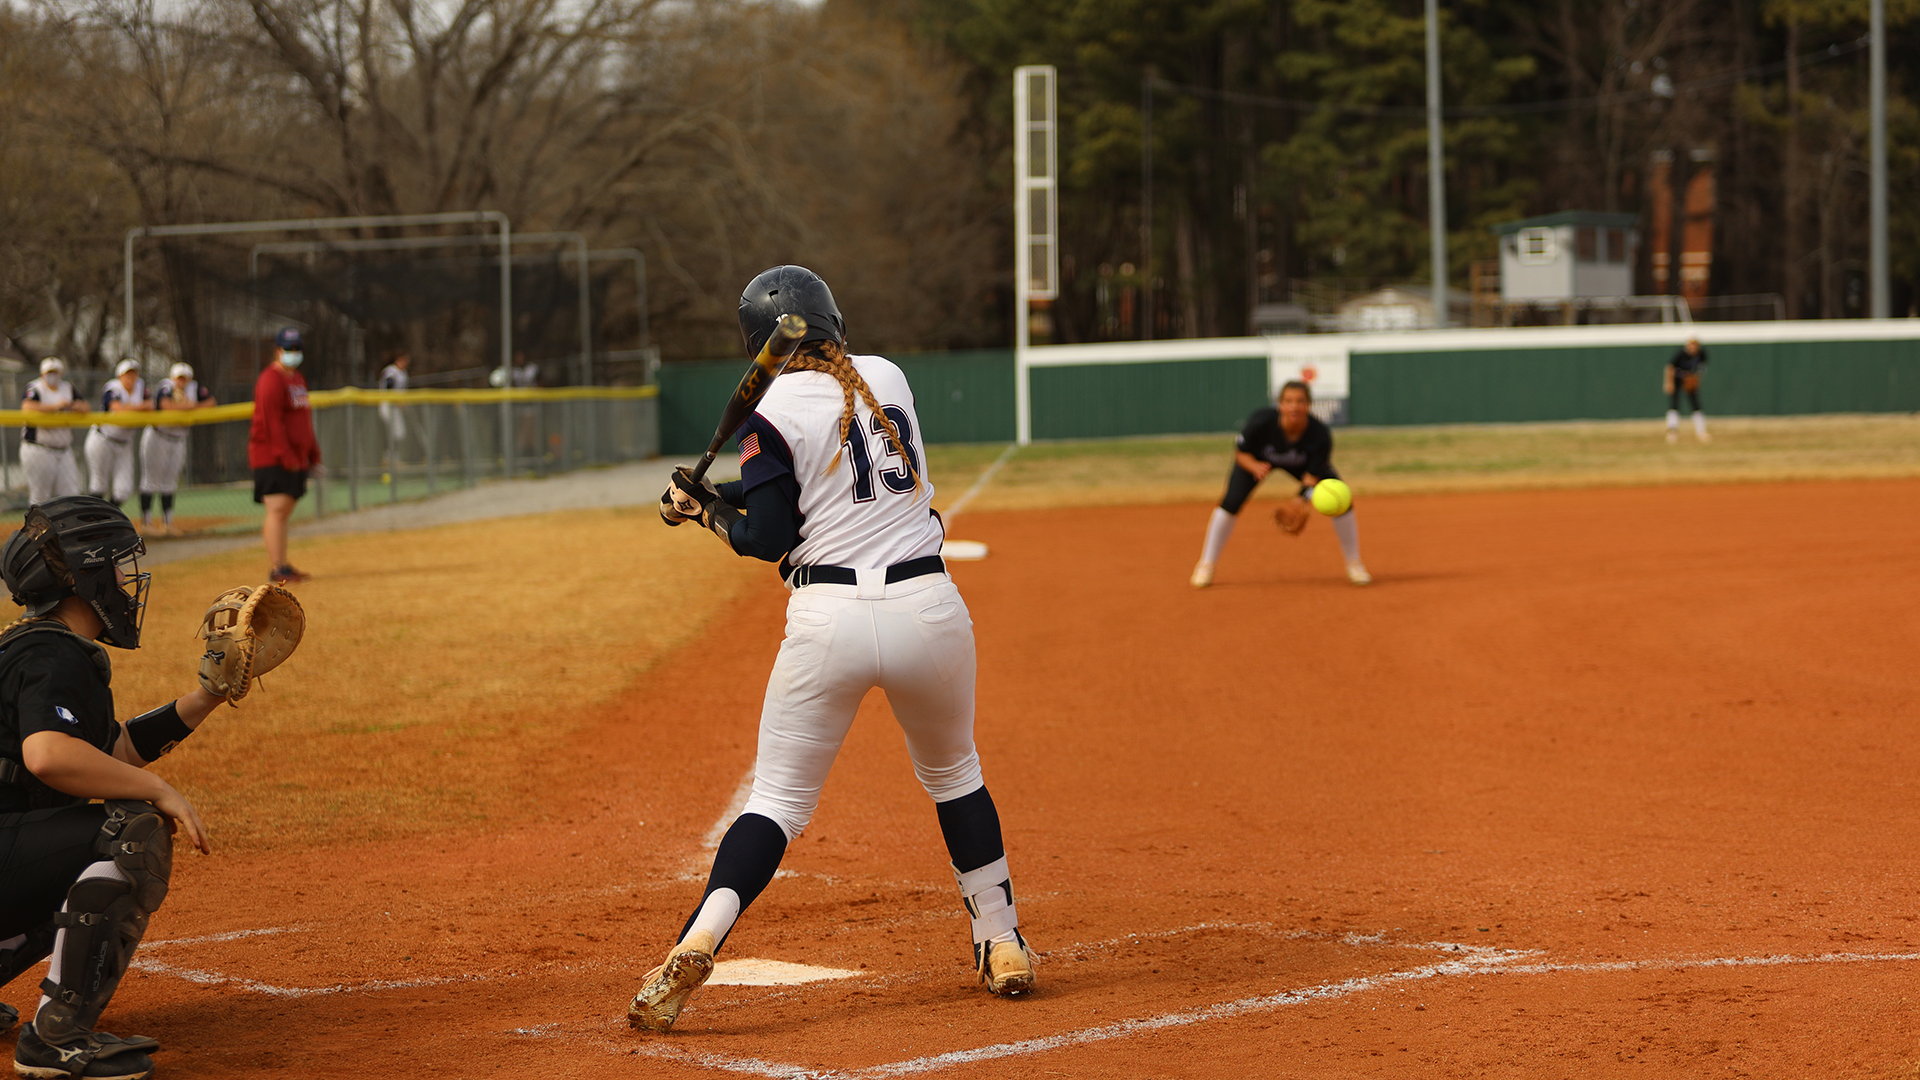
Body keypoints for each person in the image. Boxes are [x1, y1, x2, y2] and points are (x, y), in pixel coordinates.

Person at [631, 265, 1035, 1034]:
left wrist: (705, 512)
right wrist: (719, 495)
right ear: (834, 322)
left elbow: (769, 534)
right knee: (955, 776)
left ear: (756, 343)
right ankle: (1002, 939)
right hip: (928, 608)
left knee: (777, 804)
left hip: (828, 620)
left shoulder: (766, 414)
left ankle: (697, 940)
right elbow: (834, 474)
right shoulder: (886, 377)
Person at [0, 495, 220, 1080]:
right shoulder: (52, 654)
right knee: (132, 833)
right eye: (120, 565)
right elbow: (49, 755)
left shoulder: (33, 645)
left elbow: (102, 752)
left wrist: (206, 697)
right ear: (87, 573)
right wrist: (158, 789)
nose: (129, 579)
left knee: (77, 856)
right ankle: (55, 1040)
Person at [1190, 379, 1370, 588]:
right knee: (1230, 502)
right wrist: (1254, 467)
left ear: (1308, 405)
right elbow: (1241, 454)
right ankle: (1206, 564)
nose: (1294, 406)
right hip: (1256, 462)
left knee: (1342, 501)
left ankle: (1354, 563)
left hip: (1301, 466)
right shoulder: (1261, 422)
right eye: (1288, 401)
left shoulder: (1319, 434)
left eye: (1300, 401)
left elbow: (1311, 477)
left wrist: (1300, 500)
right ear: (1280, 404)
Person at [249, 328, 319, 584]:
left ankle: (283, 565)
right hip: (273, 457)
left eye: (296, 348)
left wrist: (312, 452)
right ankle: (277, 568)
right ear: (277, 350)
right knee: (277, 509)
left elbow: (304, 418)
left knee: (284, 510)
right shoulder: (271, 379)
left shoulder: (297, 378)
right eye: (288, 349)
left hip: (295, 456)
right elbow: (272, 423)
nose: (293, 353)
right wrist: (286, 455)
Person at [138, 363, 216, 536]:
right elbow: (166, 405)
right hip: (158, 436)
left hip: (179, 439)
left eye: (184, 377)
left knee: (170, 481)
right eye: (178, 377)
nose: (181, 381)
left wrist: (190, 406)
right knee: (150, 479)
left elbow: (211, 402)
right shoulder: (166, 386)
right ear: (173, 377)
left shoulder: (195, 388)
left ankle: (168, 523)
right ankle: (146, 523)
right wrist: (189, 406)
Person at [18, 359, 88, 506]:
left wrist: (75, 406)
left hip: (63, 449)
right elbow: (27, 407)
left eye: (55, 372)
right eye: (49, 372)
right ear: (43, 374)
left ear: (60, 373)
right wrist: (56, 406)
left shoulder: (67, 387)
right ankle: (36, 528)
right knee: (40, 496)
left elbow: (85, 407)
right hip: (39, 448)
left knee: (72, 494)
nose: (52, 376)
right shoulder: (35, 387)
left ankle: (68, 528)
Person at [85, 360, 150, 510]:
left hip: (124, 442)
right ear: (120, 376)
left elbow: (151, 406)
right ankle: (92, 521)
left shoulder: (141, 386)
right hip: (102, 439)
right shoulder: (112, 387)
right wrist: (141, 407)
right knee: (99, 485)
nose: (131, 378)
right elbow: (118, 408)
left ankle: (105, 516)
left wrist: (133, 408)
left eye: (134, 374)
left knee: (124, 490)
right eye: (127, 374)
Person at [1664, 336, 1709, 443]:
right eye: (1691, 344)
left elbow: (1702, 369)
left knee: (1696, 405)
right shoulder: (1681, 354)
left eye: (1694, 344)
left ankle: (1701, 431)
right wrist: (1669, 383)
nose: (1692, 347)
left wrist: (1697, 379)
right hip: (1678, 379)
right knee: (1674, 405)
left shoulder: (1701, 354)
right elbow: (1669, 367)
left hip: (1690, 379)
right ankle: (1672, 432)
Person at [376, 350, 410, 468]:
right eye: (403, 360)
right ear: (398, 360)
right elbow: (389, 385)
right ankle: (389, 459)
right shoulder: (391, 371)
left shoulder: (403, 373)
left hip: (396, 407)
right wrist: (396, 399)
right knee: (393, 432)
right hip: (387, 405)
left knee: (399, 433)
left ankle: (391, 459)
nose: (405, 363)